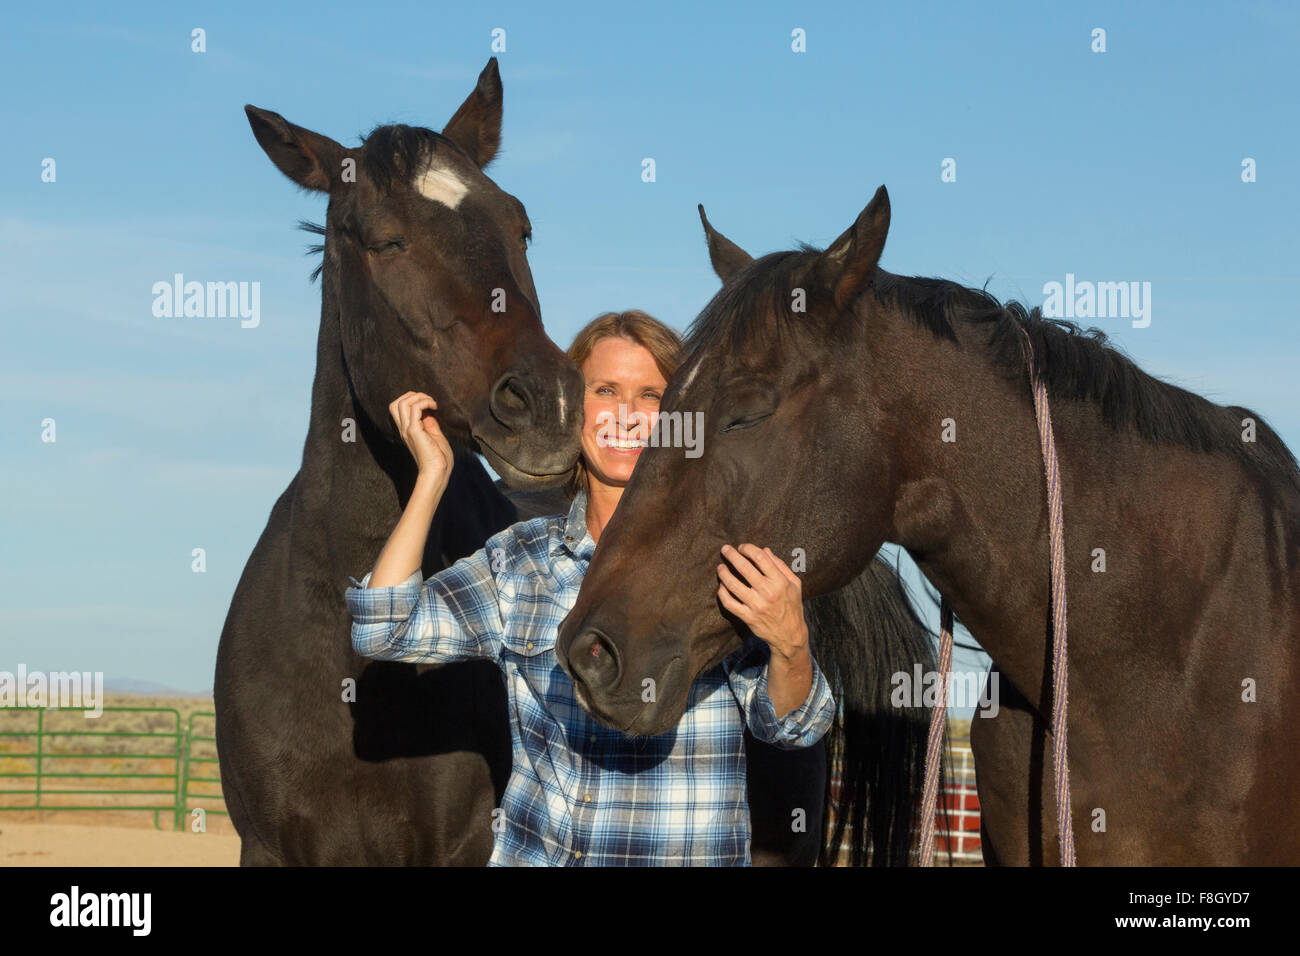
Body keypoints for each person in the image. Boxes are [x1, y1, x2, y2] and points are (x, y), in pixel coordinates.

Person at [345, 310, 835, 866]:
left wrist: (791, 644)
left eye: (651, 395)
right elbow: (383, 627)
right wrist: (436, 474)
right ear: (574, 409)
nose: (626, 415)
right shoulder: (520, 560)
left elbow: (794, 728)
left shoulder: (722, 564)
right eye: (606, 390)